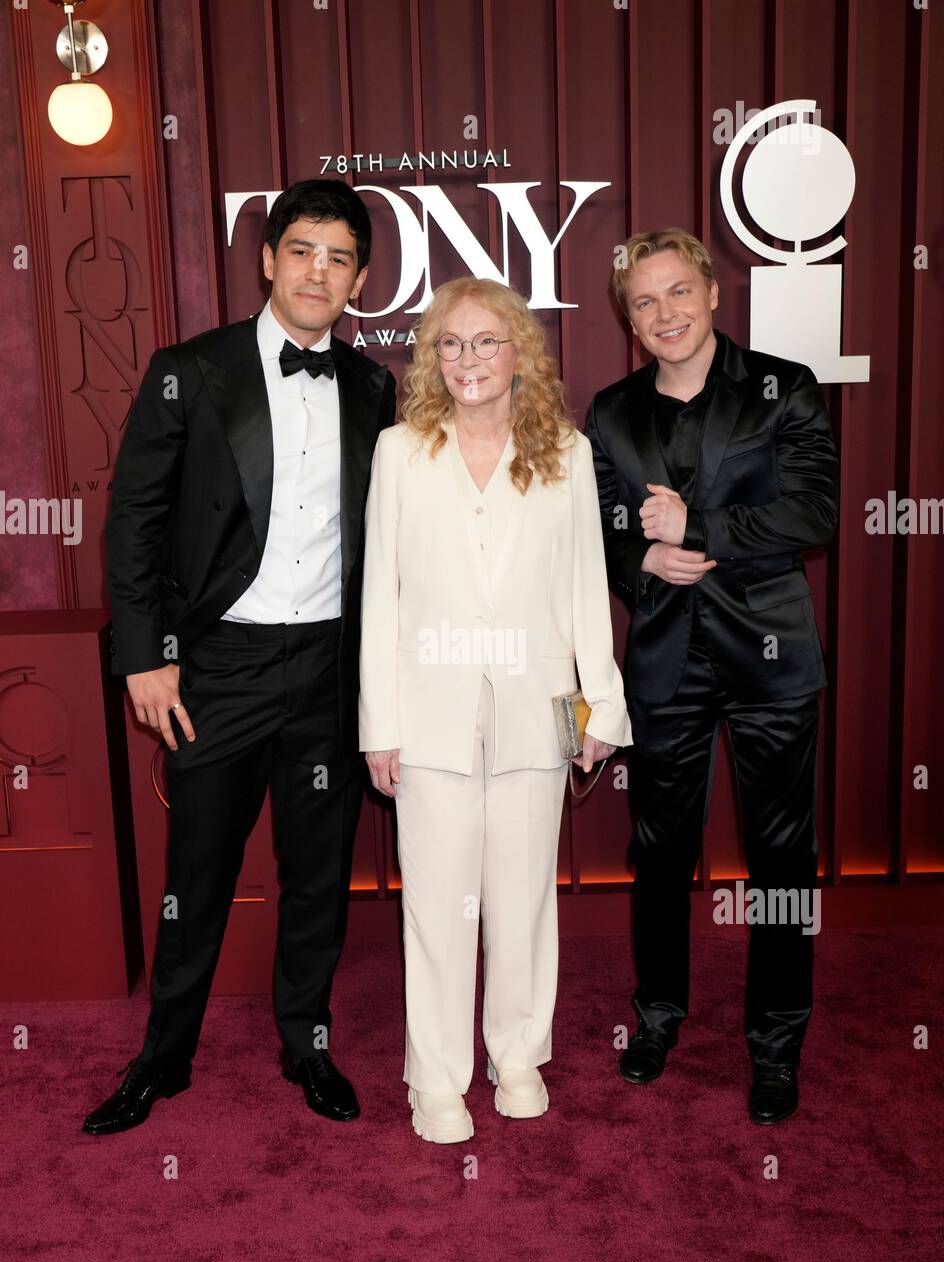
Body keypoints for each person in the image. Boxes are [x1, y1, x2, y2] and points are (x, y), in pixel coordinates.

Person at [83, 180, 396, 1136]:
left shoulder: (374, 387)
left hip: (328, 671)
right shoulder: (190, 370)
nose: (318, 271)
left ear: (359, 279)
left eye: (339, 257)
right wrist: (145, 657)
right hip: (216, 667)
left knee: (316, 875)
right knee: (198, 875)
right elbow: (132, 520)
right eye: (301, 250)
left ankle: (307, 1041)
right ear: (266, 258)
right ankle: (163, 1056)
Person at [359, 276, 632, 1144]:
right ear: (432, 358)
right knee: (436, 906)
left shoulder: (567, 451)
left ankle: (518, 1056)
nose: (468, 358)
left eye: (486, 341)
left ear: (520, 353)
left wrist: (596, 711)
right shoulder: (400, 451)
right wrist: (381, 725)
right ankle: (436, 1079)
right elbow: (382, 600)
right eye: (450, 343)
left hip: (537, 706)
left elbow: (587, 590)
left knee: (522, 900)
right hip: (429, 711)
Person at [586, 228, 838, 1125]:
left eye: (678, 293)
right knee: (658, 854)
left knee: (779, 860)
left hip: (769, 660)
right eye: (645, 302)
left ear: (713, 293)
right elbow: (600, 534)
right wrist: (640, 561)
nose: (666, 314)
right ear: (630, 317)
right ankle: (657, 1018)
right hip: (664, 660)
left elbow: (815, 510)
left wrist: (701, 529)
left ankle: (775, 1045)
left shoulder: (784, 387)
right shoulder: (611, 413)